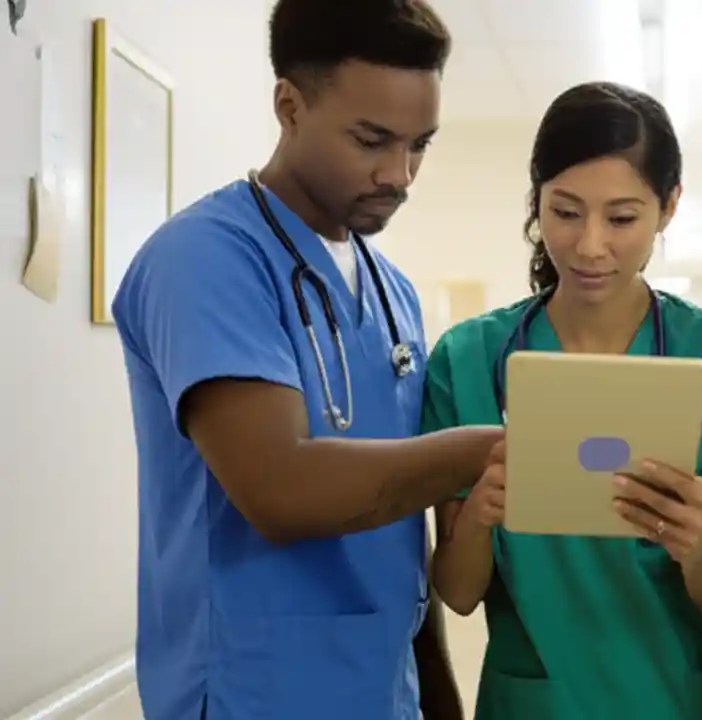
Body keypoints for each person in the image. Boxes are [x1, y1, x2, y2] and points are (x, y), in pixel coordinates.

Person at [110, 2, 501, 717]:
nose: (401, 174)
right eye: (372, 140)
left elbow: (397, 514)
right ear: (289, 105)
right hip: (248, 694)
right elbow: (280, 490)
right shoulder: (205, 259)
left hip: (383, 695)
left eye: (421, 144)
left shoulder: (394, 294)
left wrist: (438, 700)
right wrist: (489, 451)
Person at [417, 81, 702, 719]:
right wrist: (479, 514)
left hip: (683, 701)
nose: (589, 245)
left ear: (669, 207)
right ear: (536, 200)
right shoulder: (468, 360)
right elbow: (459, 592)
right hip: (539, 702)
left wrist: (699, 540)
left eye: (621, 217)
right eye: (564, 211)